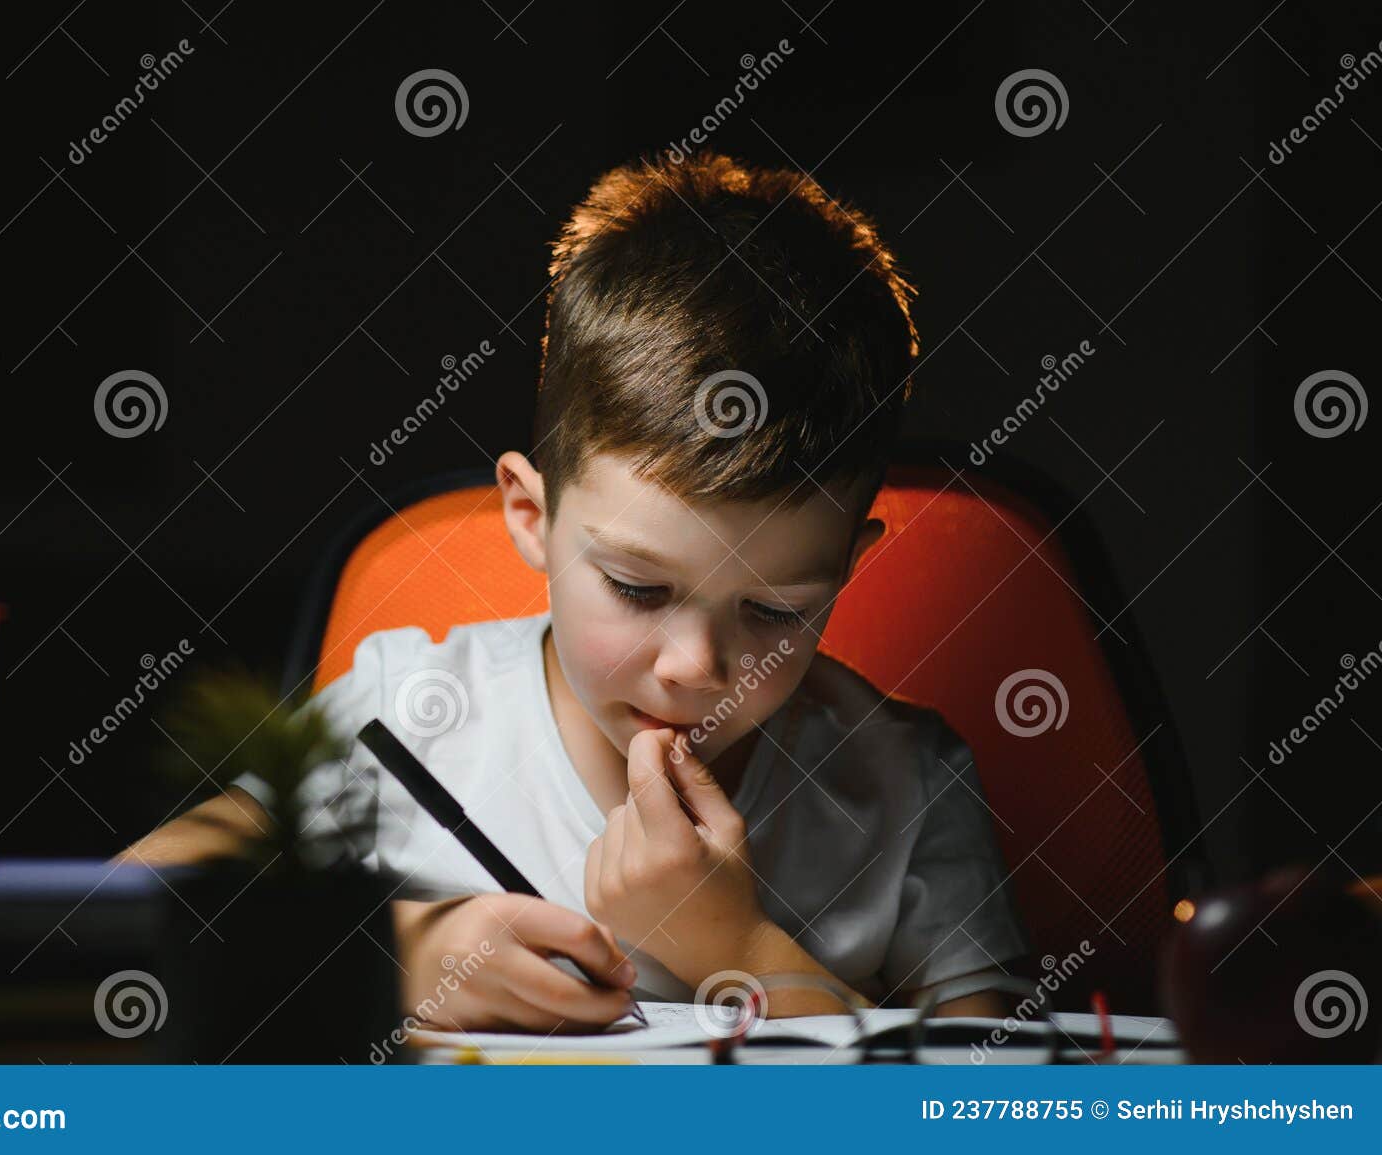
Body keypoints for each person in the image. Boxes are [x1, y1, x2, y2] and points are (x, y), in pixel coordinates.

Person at [114, 151, 1030, 1032]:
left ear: (847, 569)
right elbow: (117, 916)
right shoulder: (409, 723)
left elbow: (997, 1104)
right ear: (529, 516)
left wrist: (737, 944)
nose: (695, 669)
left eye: (775, 611)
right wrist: (400, 951)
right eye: (637, 587)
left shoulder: (906, 787)